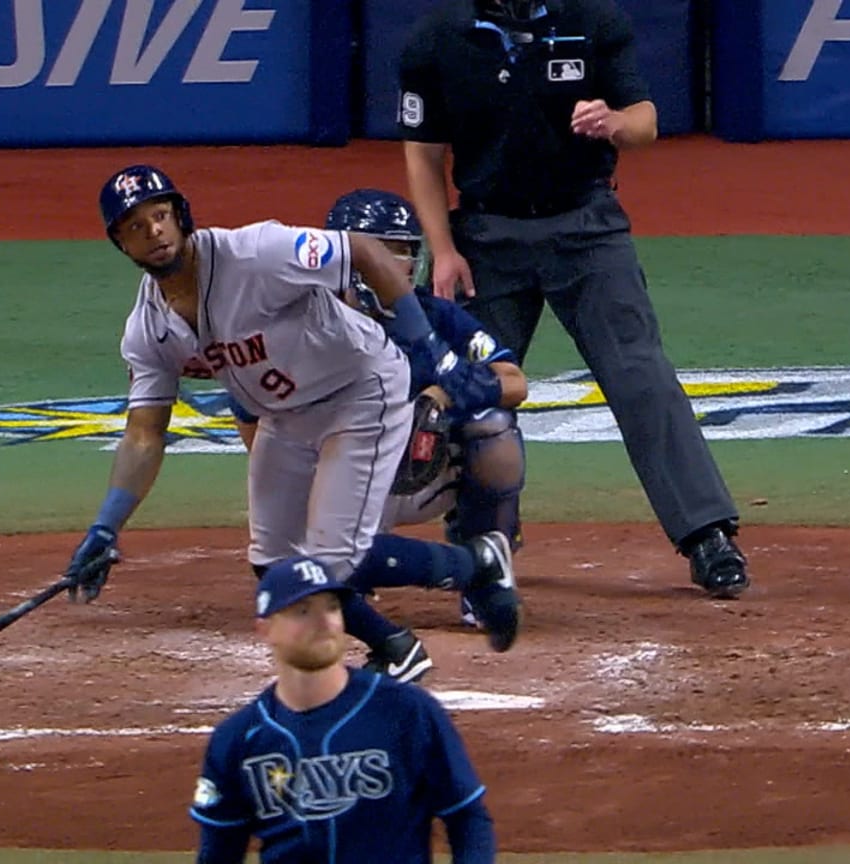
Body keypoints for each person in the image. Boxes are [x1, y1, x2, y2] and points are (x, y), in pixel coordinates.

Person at [62, 165, 522, 686]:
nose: (155, 233)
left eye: (160, 216)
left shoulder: (256, 252)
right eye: (136, 227)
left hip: (360, 392)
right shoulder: (148, 328)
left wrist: (432, 352)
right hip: (289, 415)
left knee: (333, 561)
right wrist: (106, 526)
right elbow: (145, 433)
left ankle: (476, 563)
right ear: (120, 243)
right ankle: (395, 644)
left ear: (180, 216)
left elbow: (365, 253)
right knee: (274, 563)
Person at [398, 0, 751, 598]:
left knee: (641, 377)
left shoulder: (592, 19)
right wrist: (443, 250)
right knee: (472, 388)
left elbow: (645, 121)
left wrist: (613, 121)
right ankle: (482, 537)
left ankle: (706, 534)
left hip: (587, 230)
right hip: (486, 237)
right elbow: (424, 152)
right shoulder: (437, 38)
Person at [230, 189, 530, 635]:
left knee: (494, 430)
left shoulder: (434, 315)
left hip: (421, 471)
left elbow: (514, 381)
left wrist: (446, 394)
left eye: (408, 252)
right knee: (319, 569)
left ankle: (485, 568)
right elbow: (250, 414)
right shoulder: (299, 320)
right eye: (391, 252)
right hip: (334, 481)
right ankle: (358, 573)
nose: (403, 266)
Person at [190, 555, 497, 863]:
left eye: (333, 607)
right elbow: (218, 852)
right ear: (265, 629)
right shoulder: (238, 739)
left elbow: (467, 817)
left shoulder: (406, 712)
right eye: (302, 611)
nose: (324, 621)